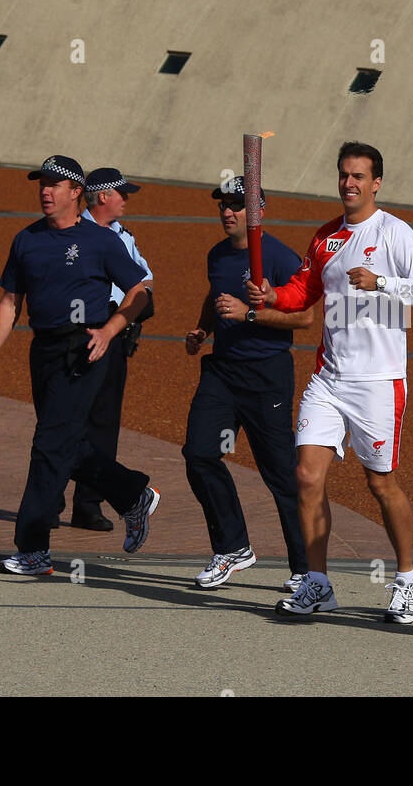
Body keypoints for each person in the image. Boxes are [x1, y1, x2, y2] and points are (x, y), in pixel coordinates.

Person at [247, 141, 413, 623]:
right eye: (343, 175)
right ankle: (317, 583)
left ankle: (407, 579)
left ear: (376, 183)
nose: (349, 184)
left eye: (358, 176)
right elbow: (306, 288)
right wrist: (274, 293)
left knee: (381, 484)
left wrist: (382, 283)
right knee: (306, 475)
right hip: (329, 377)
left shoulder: (395, 233)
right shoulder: (326, 237)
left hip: (378, 381)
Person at [0, 155, 160, 575]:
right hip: (44, 350)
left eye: (55, 185)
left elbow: (140, 292)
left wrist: (111, 329)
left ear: (77, 193)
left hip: (86, 346)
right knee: (68, 446)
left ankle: (33, 549)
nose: (45, 191)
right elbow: (9, 303)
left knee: (49, 445)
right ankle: (132, 493)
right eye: (42, 184)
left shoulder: (101, 240)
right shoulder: (26, 240)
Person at [182, 176, 313, 592]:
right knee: (200, 454)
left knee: (281, 475)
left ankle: (306, 568)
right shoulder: (217, 255)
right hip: (222, 372)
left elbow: (305, 318)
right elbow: (214, 293)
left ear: (257, 211)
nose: (227, 212)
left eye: (236, 205)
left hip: (266, 376)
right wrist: (203, 329)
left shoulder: (280, 258)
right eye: (223, 205)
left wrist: (250, 315)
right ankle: (232, 547)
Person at [64, 167, 154, 532]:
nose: (126, 199)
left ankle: (88, 505)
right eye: (121, 193)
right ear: (103, 196)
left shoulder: (124, 237)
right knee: (63, 418)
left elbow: (144, 281)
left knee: (103, 424)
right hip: (76, 336)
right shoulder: (72, 231)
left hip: (113, 339)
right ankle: (50, 497)